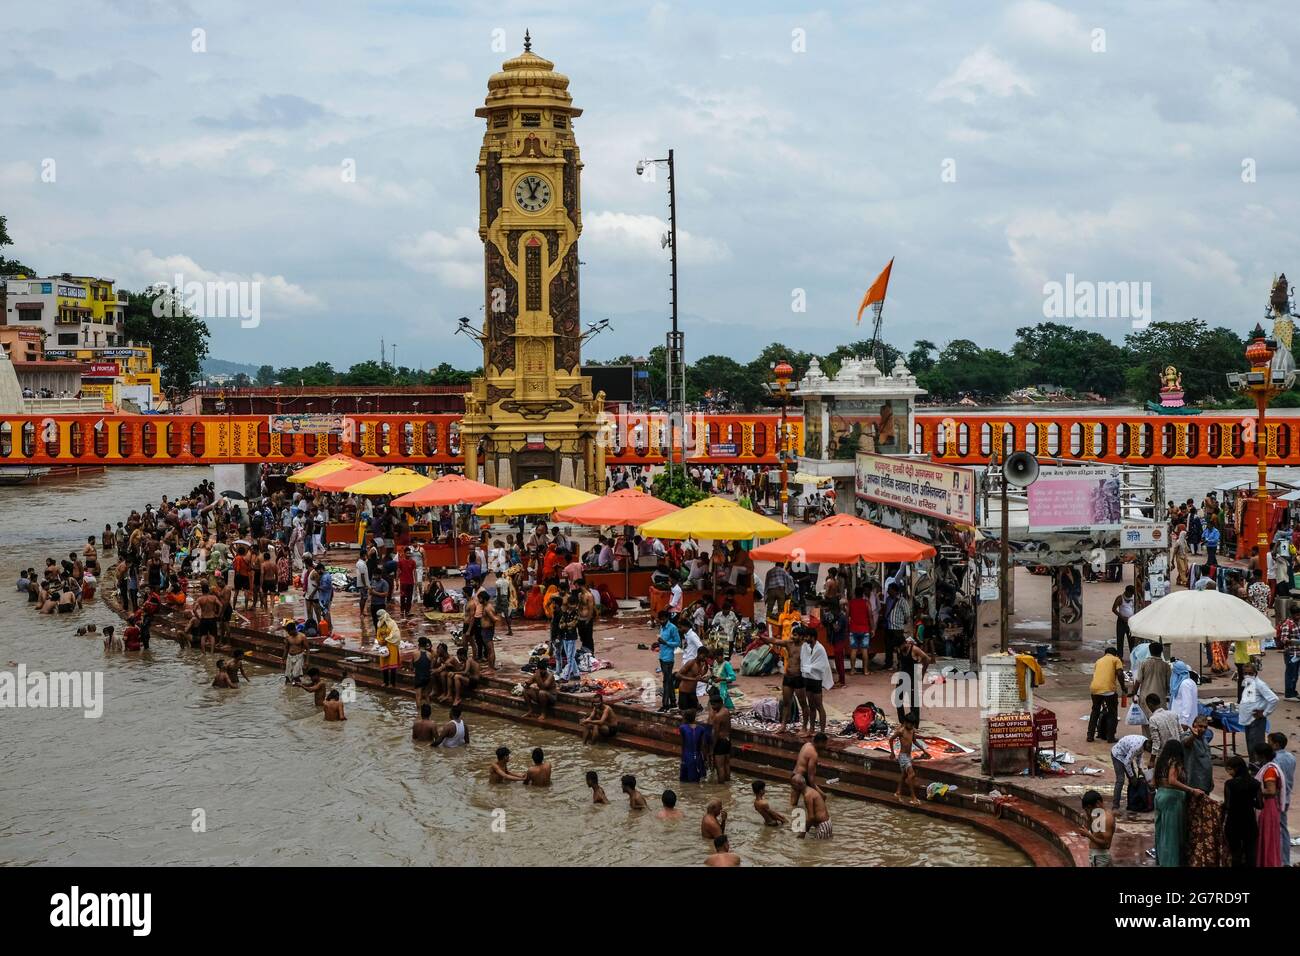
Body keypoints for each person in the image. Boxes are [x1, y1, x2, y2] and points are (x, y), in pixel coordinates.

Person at [1152, 739, 1197, 866]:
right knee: (1172, 834)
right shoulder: (1175, 762)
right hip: (1173, 798)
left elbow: (1153, 782)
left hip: (1160, 795)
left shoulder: (1160, 762)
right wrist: (1191, 790)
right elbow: (1172, 780)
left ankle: (1161, 860)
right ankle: (1171, 862)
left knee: (1161, 830)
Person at [1223, 755, 1261, 867]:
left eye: (1229, 769)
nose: (1228, 773)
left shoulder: (1230, 784)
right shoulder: (1255, 783)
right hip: (1249, 822)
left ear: (1236, 768)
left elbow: (1227, 805)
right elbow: (1260, 805)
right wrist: (1249, 801)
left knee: (1236, 853)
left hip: (1233, 822)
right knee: (1251, 853)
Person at [1254, 742, 1286, 867]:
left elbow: (1271, 791)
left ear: (1261, 755)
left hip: (1268, 806)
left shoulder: (1270, 770)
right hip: (1269, 806)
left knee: (1268, 838)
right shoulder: (1268, 768)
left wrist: (1253, 789)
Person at [1087, 647, 1126, 743]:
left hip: (1094, 689)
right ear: (1115, 654)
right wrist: (1123, 687)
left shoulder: (1098, 661)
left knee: (1095, 711)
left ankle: (1090, 735)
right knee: (1112, 713)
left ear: (1105, 653)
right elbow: (1120, 674)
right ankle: (1110, 737)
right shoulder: (1116, 659)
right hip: (1109, 690)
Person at [799, 626, 833, 735]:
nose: (805, 639)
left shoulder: (820, 648)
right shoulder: (805, 646)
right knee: (811, 705)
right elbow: (803, 660)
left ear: (812, 637)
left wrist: (808, 667)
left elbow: (821, 665)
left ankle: (822, 731)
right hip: (807, 679)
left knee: (819, 705)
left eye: (807, 636)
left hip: (816, 680)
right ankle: (812, 729)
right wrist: (806, 668)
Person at [1268, 732, 1294, 866]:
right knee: (1283, 828)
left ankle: (1281, 860)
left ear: (1276, 744)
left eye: (1270, 742)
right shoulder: (1291, 757)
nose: (1268, 744)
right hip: (1287, 796)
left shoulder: (1274, 760)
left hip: (1278, 798)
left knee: (1277, 828)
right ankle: (1285, 860)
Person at [1239, 662, 1277, 754]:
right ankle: (1253, 766)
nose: (1247, 675)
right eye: (1245, 673)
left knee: (1256, 747)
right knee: (1250, 745)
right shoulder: (1247, 683)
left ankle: (1258, 766)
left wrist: (1264, 713)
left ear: (1255, 673)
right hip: (1248, 720)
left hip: (1256, 720)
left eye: (1250, 673)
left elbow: (1274, 699)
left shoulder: (1260, 684)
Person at [1110, 734, 1152, 811]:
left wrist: (1139, 769)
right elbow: (1127, 763)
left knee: (1134, 780)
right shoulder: (1137, 747)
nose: (1149, 751)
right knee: (1120, 780)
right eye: (1149, 749)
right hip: (1117, 755)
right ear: (1148, 744)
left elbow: (1139, 756)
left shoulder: (1145, 743)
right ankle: (1115, 806)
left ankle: (1132, 802)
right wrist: (1132, 776)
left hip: (1126, 755)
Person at [1132, 642, 1170, 723]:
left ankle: (1147, 736)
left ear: (1150, 650)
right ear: (1161, 651)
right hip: (1160, 698)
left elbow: (1138, 681)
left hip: (1145, 698)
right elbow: (1168, 684)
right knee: (1159, 721)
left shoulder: (1144, 663)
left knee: (1146, 723)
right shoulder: (1166, 666)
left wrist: (1134, 693)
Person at [889, 713, 922, 804]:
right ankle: (913, 798)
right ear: (905, 722)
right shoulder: (901, 731)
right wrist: (892, 752)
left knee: (904, 776)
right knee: (911, 775)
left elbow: (914, 741)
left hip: (908, 756)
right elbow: (891, 739)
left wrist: (924, 750)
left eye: (912, 724)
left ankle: (897, 793)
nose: (911, 726)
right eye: (909, 723)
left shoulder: (912, 731)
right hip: (903, 756)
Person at [655, 611, 682, 711]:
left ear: (667, 618)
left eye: (663, 619)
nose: (661, 621)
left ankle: (665, 704)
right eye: (660, 619)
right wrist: (658, 644)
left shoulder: (672, 628)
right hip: (662, 656)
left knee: (666, 681)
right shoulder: (662, 627)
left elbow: (678, 643)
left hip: (669, 658)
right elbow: (662, 640)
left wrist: (665, 642)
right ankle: (673, 701)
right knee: (669, 680)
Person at [1081, 790, 1115, 867]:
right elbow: (1095, 833)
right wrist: (1089, 817)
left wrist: (1088, 835)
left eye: (1089, 808)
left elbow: (1106, 844)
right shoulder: (1098, 815)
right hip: (1096, 856)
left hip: (1101, 858)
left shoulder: (1107, 818)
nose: (1089, 811)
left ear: (1098, 803)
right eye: (1087, 809)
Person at [678, 709, 712, 784]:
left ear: (685, 718)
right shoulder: (701, 729)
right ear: (694, 717)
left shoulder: (682, 728)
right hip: (698, 756)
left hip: (686, 756)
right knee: (696, 780)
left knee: (684, 780)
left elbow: (682, 744)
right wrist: (705, 759)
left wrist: (682, 756)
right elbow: (703, 746)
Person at [708, 695, 732, 782]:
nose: (713, 707)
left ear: (720, 703)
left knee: (720, 767)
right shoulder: (726, 711)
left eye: (714, 705)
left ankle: (721, 787)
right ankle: (728, 784)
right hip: (727, 740)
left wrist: (712, 749)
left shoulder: (718, 716)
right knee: (726, 764)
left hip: (720, 742)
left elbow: (716, 733)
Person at [1280, 604, 1300, 701]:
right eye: (1296, 615)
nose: (1298, 617)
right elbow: (1283, 639)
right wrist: (1292, 641)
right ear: (1292, 614)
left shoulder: (1298, 623)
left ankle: (1293, 691)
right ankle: (1289, 694)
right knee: (1290, 673)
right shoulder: (1287, 624)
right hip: (1291, 653)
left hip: (1298, 653)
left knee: (1295, 674)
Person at [1111, 586, 1136, 658]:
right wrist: (1122, 617)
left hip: (1131, 622)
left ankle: (1132, 656)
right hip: (1121, 622)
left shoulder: (1134, 598)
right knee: (1120, 640)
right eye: (1130, 593)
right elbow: (1114, 609)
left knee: (1131, 640)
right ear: (1126, 591)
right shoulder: (1120, 598)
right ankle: (1120, 657)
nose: (1131, 595)